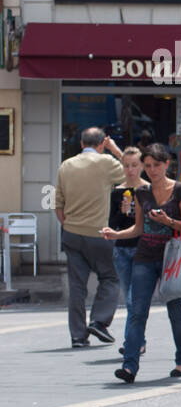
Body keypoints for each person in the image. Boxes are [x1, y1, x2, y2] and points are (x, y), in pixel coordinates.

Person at [99, 143, 181, 382]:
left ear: (167, 164)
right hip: (144, 256)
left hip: (170, 258)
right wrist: (116, 234)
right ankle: (129, 366)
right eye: (148, 165)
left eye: (157, 165)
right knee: (137, 311)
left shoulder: (180, 190)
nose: (152, 170)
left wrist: (168, 221)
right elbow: (138, 228)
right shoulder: (142, 192)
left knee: (175, 310)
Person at [55, 127, 126, 348]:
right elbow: (133, 170)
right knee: (111, 277)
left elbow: (58, 204)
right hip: (99, 233)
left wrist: (68, 225)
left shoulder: (66, 165)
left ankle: (78, 336)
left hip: (72, 233)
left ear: (81, 144)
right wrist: (115, 149)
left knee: (77, 286)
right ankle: (99, 321)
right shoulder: (106, 163)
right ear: (102, 144)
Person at [108, 146, 148, 356]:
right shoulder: (117, 191)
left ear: (141, 166)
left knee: (135, 298)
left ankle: (133, 341)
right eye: (126, 166)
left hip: (143, 248)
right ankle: (138, 340)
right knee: (129, 299)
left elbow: (151, 221)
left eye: (134, 165)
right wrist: (123, 211)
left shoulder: (148, 189)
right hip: (122, 249)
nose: (130, 170)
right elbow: (112, 223)